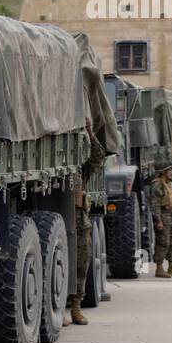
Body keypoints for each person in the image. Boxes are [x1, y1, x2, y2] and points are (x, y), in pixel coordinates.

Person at [69, 119, 106, 325]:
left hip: (79, 221)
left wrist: (90, 132)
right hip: (60, 222)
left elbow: (98, 156)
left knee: (81, 263)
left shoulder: (80, 171)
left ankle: (76, 306)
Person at [148, 165, 172, 278]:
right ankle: (159, 268)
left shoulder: (168, 183)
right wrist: (158, 220)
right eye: (170, 171)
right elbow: (155, 204)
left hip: (171, 216)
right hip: (163, 216)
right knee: (163, 242)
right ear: (163, 172)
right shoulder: (157, 184)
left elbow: (167, 196)